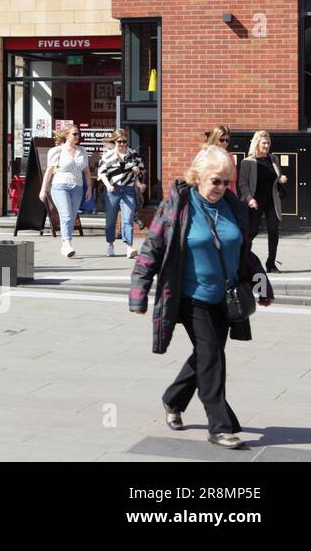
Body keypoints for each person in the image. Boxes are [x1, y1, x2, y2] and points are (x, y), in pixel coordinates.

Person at [129, 145, 273, 449]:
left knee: (204, 357)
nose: (220, 188)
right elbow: (152, 249)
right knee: (212, 359)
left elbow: (244, 253)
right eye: (214, 181)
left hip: (226, 297)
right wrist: (138, 293)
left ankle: (173, 399)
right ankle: (219, 426)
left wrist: (261, 284)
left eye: (225, 181)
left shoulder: (233, 206)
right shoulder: (177, 207)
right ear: (198, 177)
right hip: (191, 298)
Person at [40, 124, 94, 259]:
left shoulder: (82, 150)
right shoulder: (57, 151)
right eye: (74, 134)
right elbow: (49, 171)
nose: (77, 136)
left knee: (72, 215)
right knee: (66, 215)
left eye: (78, 134)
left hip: (77, 186)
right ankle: (67, 243)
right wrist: (43, 189)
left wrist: (89, 188)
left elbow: (86, 171)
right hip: (60, 185)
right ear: (66, 136)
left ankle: (65, 244)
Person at [239, 130, 286, 273]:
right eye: (264, 143)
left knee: (274, 231)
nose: (266, 146)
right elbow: (243, 184)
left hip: (272, 200)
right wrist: (249, 199)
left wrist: (281, 179)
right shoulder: (247, 162)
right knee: (252, 232)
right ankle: (243, 259)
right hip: (255, 201)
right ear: (257, 143)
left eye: (268, 143)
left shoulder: (273, 159)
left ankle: (271, 263)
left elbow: (275, 177)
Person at [98, 129, 144, 259]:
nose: (122, 144)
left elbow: (141, 171)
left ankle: (129, 247)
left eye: (124, 141)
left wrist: (137, 171)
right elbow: (102, 173)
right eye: (119, 142)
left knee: (128, 219)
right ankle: (110, 244)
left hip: (128, 190)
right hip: (113, 189)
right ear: (114, 141)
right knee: (111, 220)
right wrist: (108, 185)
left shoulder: (133, 154)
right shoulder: (108, 155)